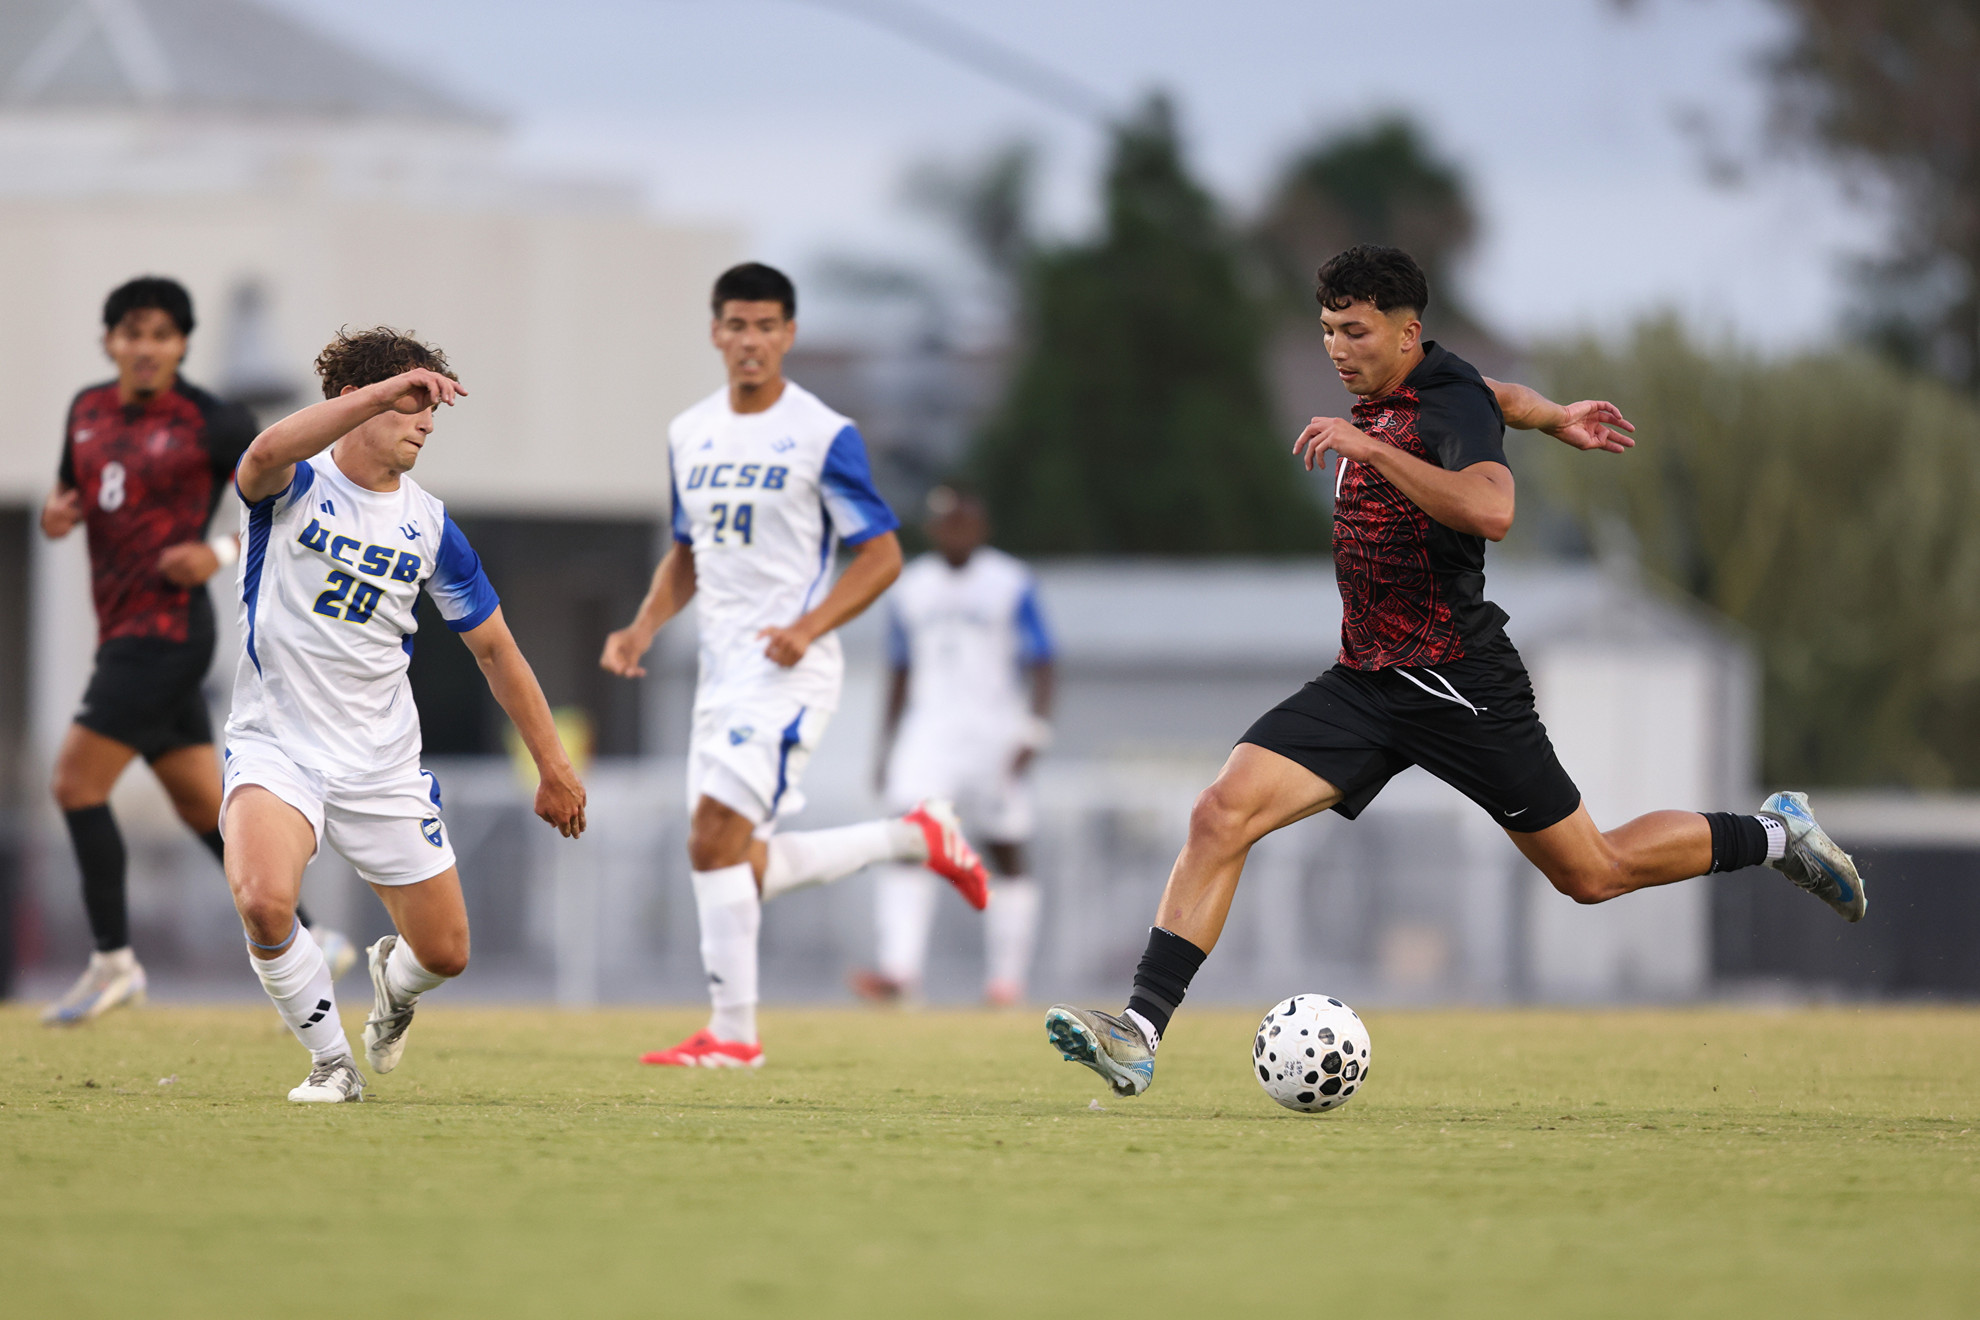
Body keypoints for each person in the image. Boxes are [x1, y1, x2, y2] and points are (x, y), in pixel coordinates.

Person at [1044, 244, 1866, 1099]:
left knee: (1593, 872)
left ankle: (1777, 834)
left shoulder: (1432, 407)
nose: (1336, 348)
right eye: (1327, 330)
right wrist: (1549, 416)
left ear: (1409, 333)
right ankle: (1137, 1033)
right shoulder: (1428, 388)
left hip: (1457, 681)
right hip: (1365, 681)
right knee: (1219, 814)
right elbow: (1495, 397)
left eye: (1354, 331)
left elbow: (1492, 508)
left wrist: (1372, 453)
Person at [601, 262, 989, 1069]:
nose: (750, 340)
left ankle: (735, 1037)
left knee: (710, 841)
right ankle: (914, 836)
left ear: (790, 334)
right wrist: (641, 628)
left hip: (788, 675)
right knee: (734, 858)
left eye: (766, 326)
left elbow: (881, 556)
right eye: (736, 325)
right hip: (718, 677)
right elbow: (687, 553)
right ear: (715, 332)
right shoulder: (690, 433)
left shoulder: (821, 433)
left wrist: (808, 628)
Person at [222, 327, 586, 1103]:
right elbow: (257, 455)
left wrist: (553, 764)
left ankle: (394, 987)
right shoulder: (295, 485)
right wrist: (382, 390)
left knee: (447, 953)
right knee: (262, 898)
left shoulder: (430, 526)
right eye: (410, 403)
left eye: (429, 408)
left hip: (383, 762)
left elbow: (497, 651)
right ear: (360, 403)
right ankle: (331, 1065)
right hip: (278, 747)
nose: (424, 421)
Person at [39, 276, 353, 1026]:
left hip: (168, 637)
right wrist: (57, 514)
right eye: (132, 333)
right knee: (201, 806)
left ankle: (113, 963)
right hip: (120, 632)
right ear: (110, 341)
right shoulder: (84, 412)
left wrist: (216, 550)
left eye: (161, 334)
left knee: (75, 784)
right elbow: (68, 499)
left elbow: (292, 501)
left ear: (182, 343)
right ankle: (316, 940)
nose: (145, 347)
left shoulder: (215, 421)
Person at [849, 485, 1056, 1007]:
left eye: (963, 523)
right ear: (931, 529)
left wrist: (1034, 730)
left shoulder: (1010, 582)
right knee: (909, 841)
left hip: (994, 732)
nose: (954, 532)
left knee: (1005, 847)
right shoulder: (910, 587)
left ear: (981, 527)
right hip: (930, 733)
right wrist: (886, 747)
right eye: (945, 523)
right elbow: (899, 669)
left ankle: (1006, 982)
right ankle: (900, 973)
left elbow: (1044, 659)